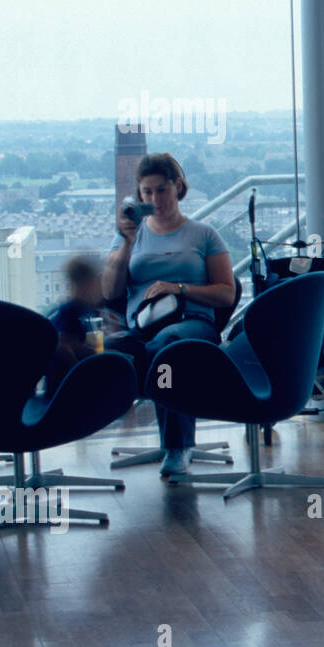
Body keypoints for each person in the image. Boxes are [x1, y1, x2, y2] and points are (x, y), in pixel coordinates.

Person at [102, 152, 236, 475]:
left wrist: (179, 288)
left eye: (161, 190)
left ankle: (177, 446)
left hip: (191, 324)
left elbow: (227, 293)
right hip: (143, 327)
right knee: (112, 350)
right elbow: (108, 291)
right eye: (146, 192)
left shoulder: (203, 235)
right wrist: (126, 243)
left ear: (178, 187)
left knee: (170, 346)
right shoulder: (133, 237)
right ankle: (168, 431)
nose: (154, 199)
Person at [43, 255, 123, 398]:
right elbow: (64, 345)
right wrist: (81, 370)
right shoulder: (71, 310)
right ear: (87, 284)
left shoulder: (86, 310)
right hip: (64, 386)